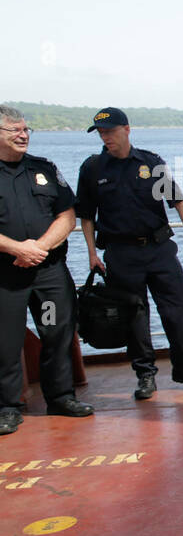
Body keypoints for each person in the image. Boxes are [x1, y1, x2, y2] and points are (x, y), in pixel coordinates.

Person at [76, 108, 183, 399]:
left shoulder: (151, 162)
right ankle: (145, 375)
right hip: (120, 253)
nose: (105, 137)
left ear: (126, 129)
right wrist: (91, 253)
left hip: (159, 249)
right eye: (100, 133)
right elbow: (86, 216)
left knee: (180, 307)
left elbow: (179, 201)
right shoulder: (93, 168)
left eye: (110, 131)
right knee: (134, 316)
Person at [0, 106, 94, 434]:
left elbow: (66, 216)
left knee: (55, 332)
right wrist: (16, 248)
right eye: (14, 131)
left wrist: (36, 249)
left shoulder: (44, 169)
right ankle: (7, 407)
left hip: (47, 275)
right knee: (6, 340)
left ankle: (61, 397)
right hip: (6, 277)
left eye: (26, 129)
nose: (23, 135)